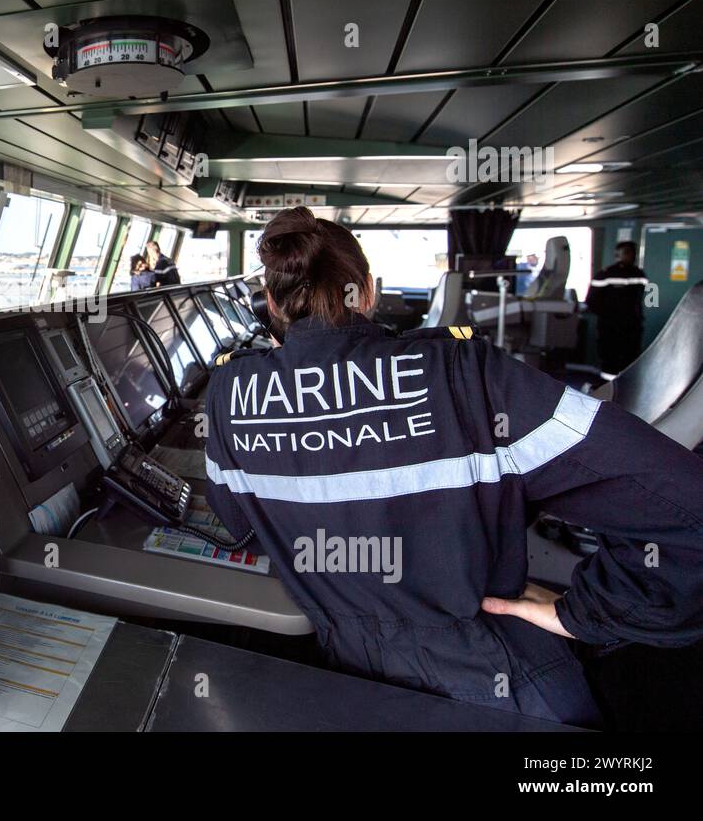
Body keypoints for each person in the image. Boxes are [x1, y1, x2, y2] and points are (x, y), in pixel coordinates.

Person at [203, 207, 703, 727]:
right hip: (496, 683)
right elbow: (687, 507)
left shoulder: (227, 394)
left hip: (348, 684)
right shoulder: (466, 372)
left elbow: (242, 528)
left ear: (271, 304)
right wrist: (585, 612)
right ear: (367, 292)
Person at [586, 241, 648, 379]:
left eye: (632, 253)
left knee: (630, 357)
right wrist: (609, 316)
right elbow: (591, 301)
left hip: (632, 326)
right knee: (610, 358)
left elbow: (643, 297)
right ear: (617, 255)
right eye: (626, 252)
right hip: (610, 327)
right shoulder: (605, 274)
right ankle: (607, 388)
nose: (630, 256)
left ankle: (627, 388)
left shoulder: (640, 274)